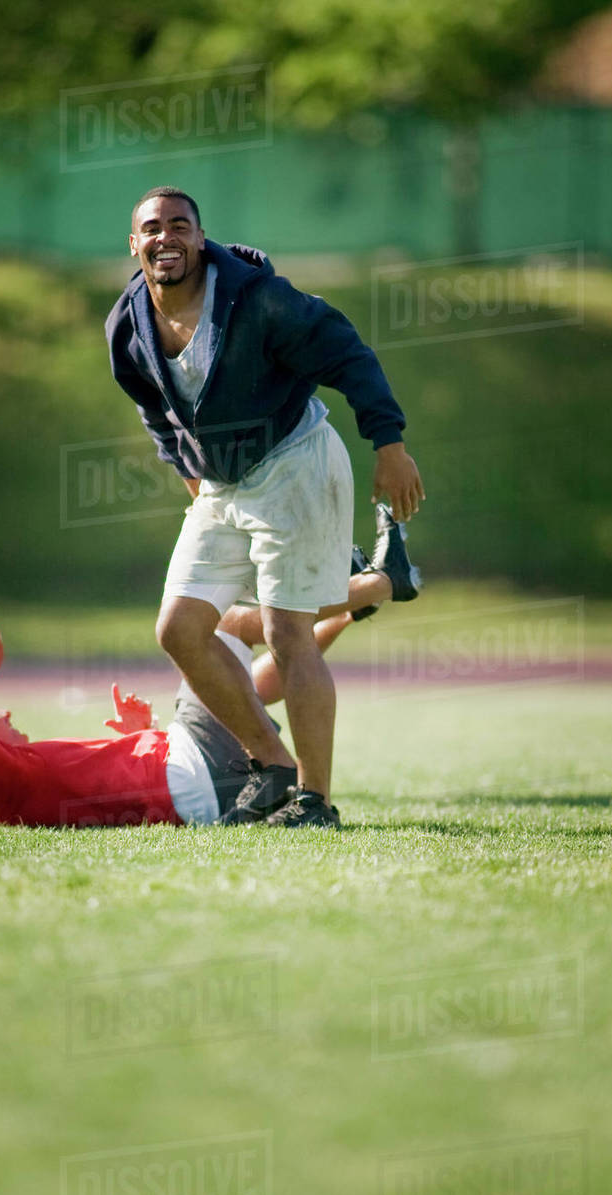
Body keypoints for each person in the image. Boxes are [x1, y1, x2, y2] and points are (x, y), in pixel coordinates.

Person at [105, 185, 425, 828]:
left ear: (199, 238)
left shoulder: (259, 300)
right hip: (223, 486)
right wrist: (193, 479)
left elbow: (346, 351)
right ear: (134, 243)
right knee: (179, 629)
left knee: (285, 631)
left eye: (179, 225)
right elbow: (157, 416)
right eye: (152, 228)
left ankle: (316, 801)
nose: (165, 237)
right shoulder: (127, 327)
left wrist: (389, 445)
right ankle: (272, 765)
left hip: (294, 462)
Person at [0, 535, 412, 829]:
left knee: (239, 690)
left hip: (199, 784)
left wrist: (141, 735)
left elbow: (111, 790)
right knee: (222, 628)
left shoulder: (17, 781)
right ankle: (381, 582)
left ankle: (351, 610)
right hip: (191, 775)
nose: (0, 715)